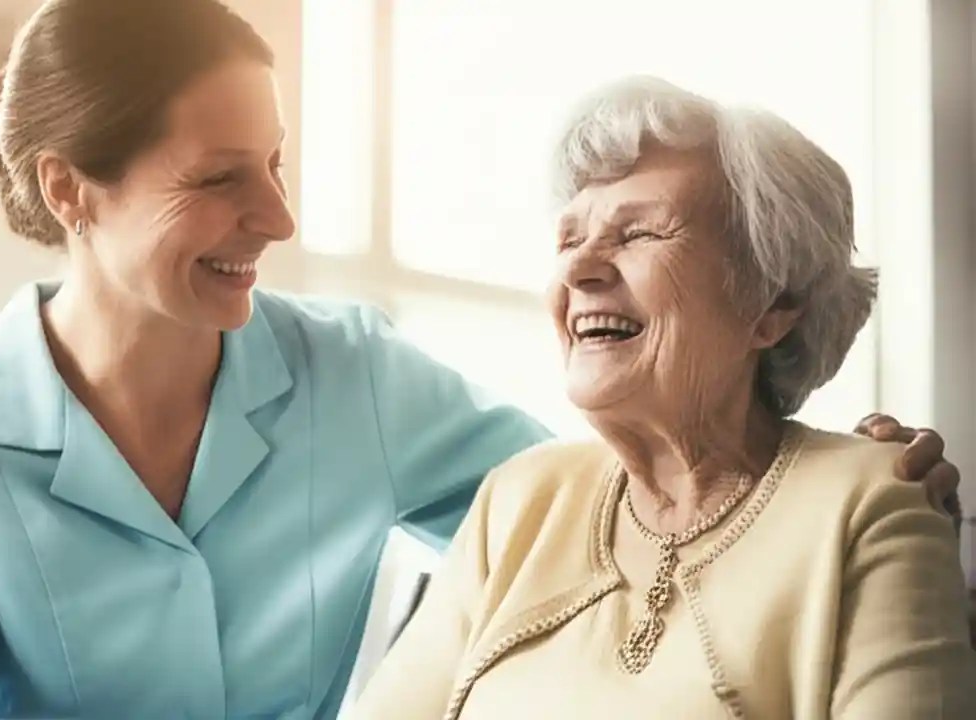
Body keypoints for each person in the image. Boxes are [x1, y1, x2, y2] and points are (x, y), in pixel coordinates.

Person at [0, 2, 963, 719]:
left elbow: (644, 488)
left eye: (276, 162)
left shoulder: (356, 376)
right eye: (220, 178)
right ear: (71, 189)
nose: (276, 215)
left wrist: (837, 482)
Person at [350, 77, 976, 720]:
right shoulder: (517, 502)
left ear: (772, 303)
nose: (579, 269)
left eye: (640, 233)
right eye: (569, 239)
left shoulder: (873, 500)